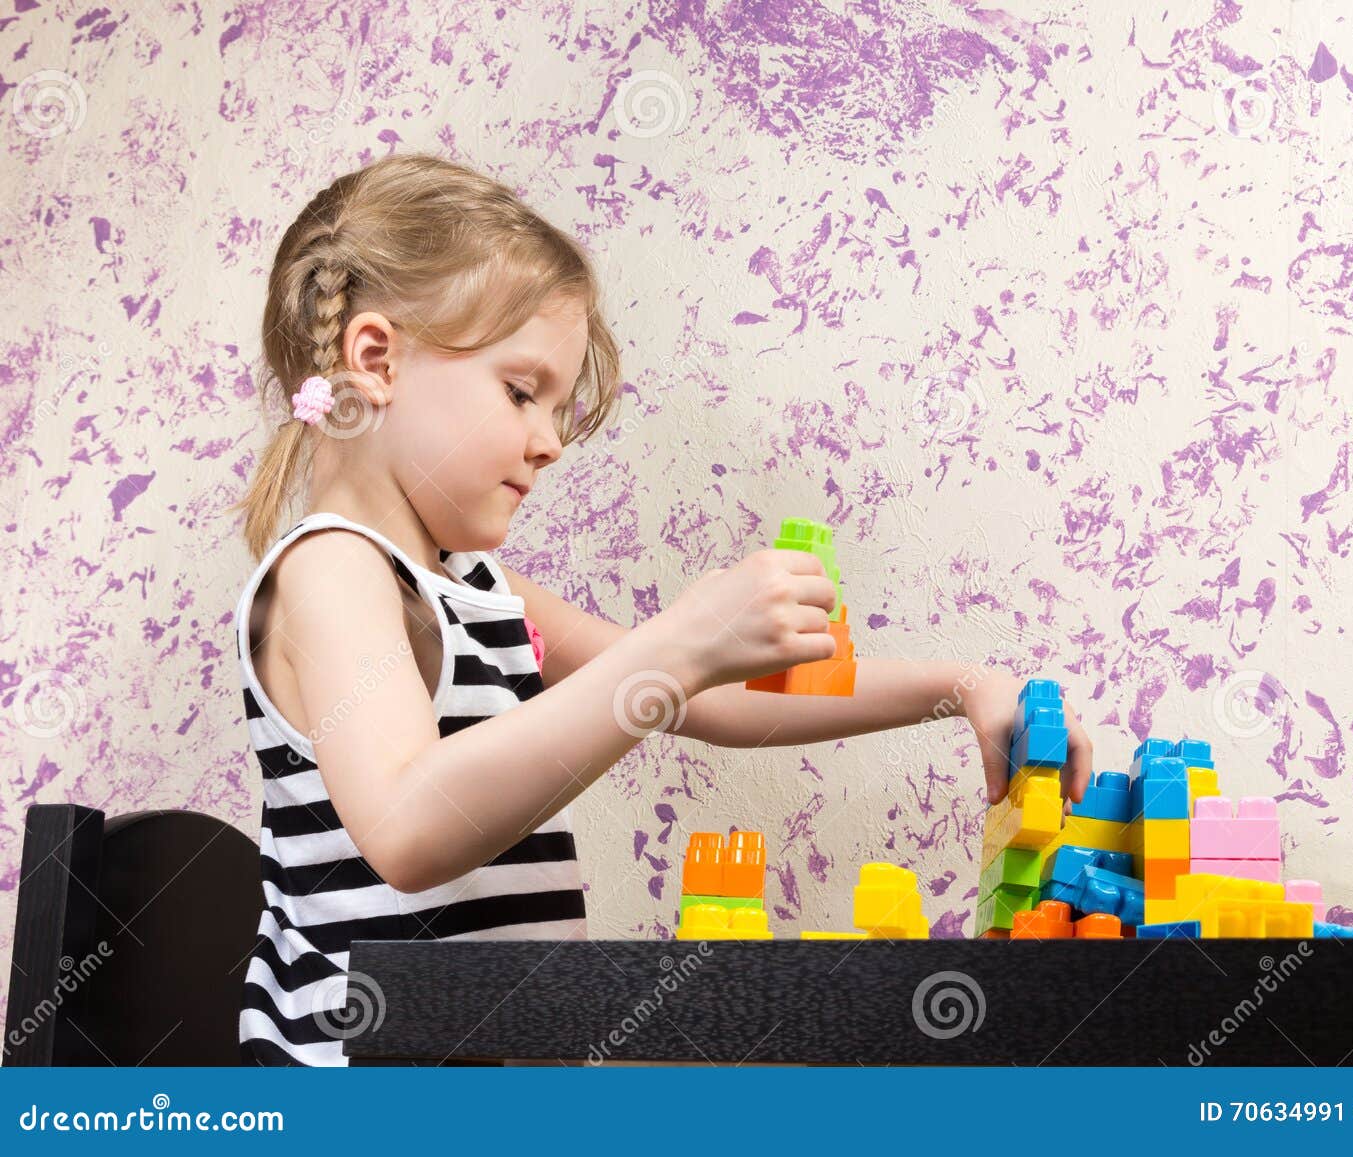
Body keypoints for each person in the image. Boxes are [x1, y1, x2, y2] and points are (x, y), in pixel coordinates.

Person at [227, 153, 1093, 1065]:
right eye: (522, 391)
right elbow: (407, 826)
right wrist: (677, 646)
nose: (551, 441)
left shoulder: (478, 588)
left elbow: (715, 701)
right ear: (376, 358)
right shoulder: (331, 568)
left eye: (558, 407)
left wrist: (961, 686)